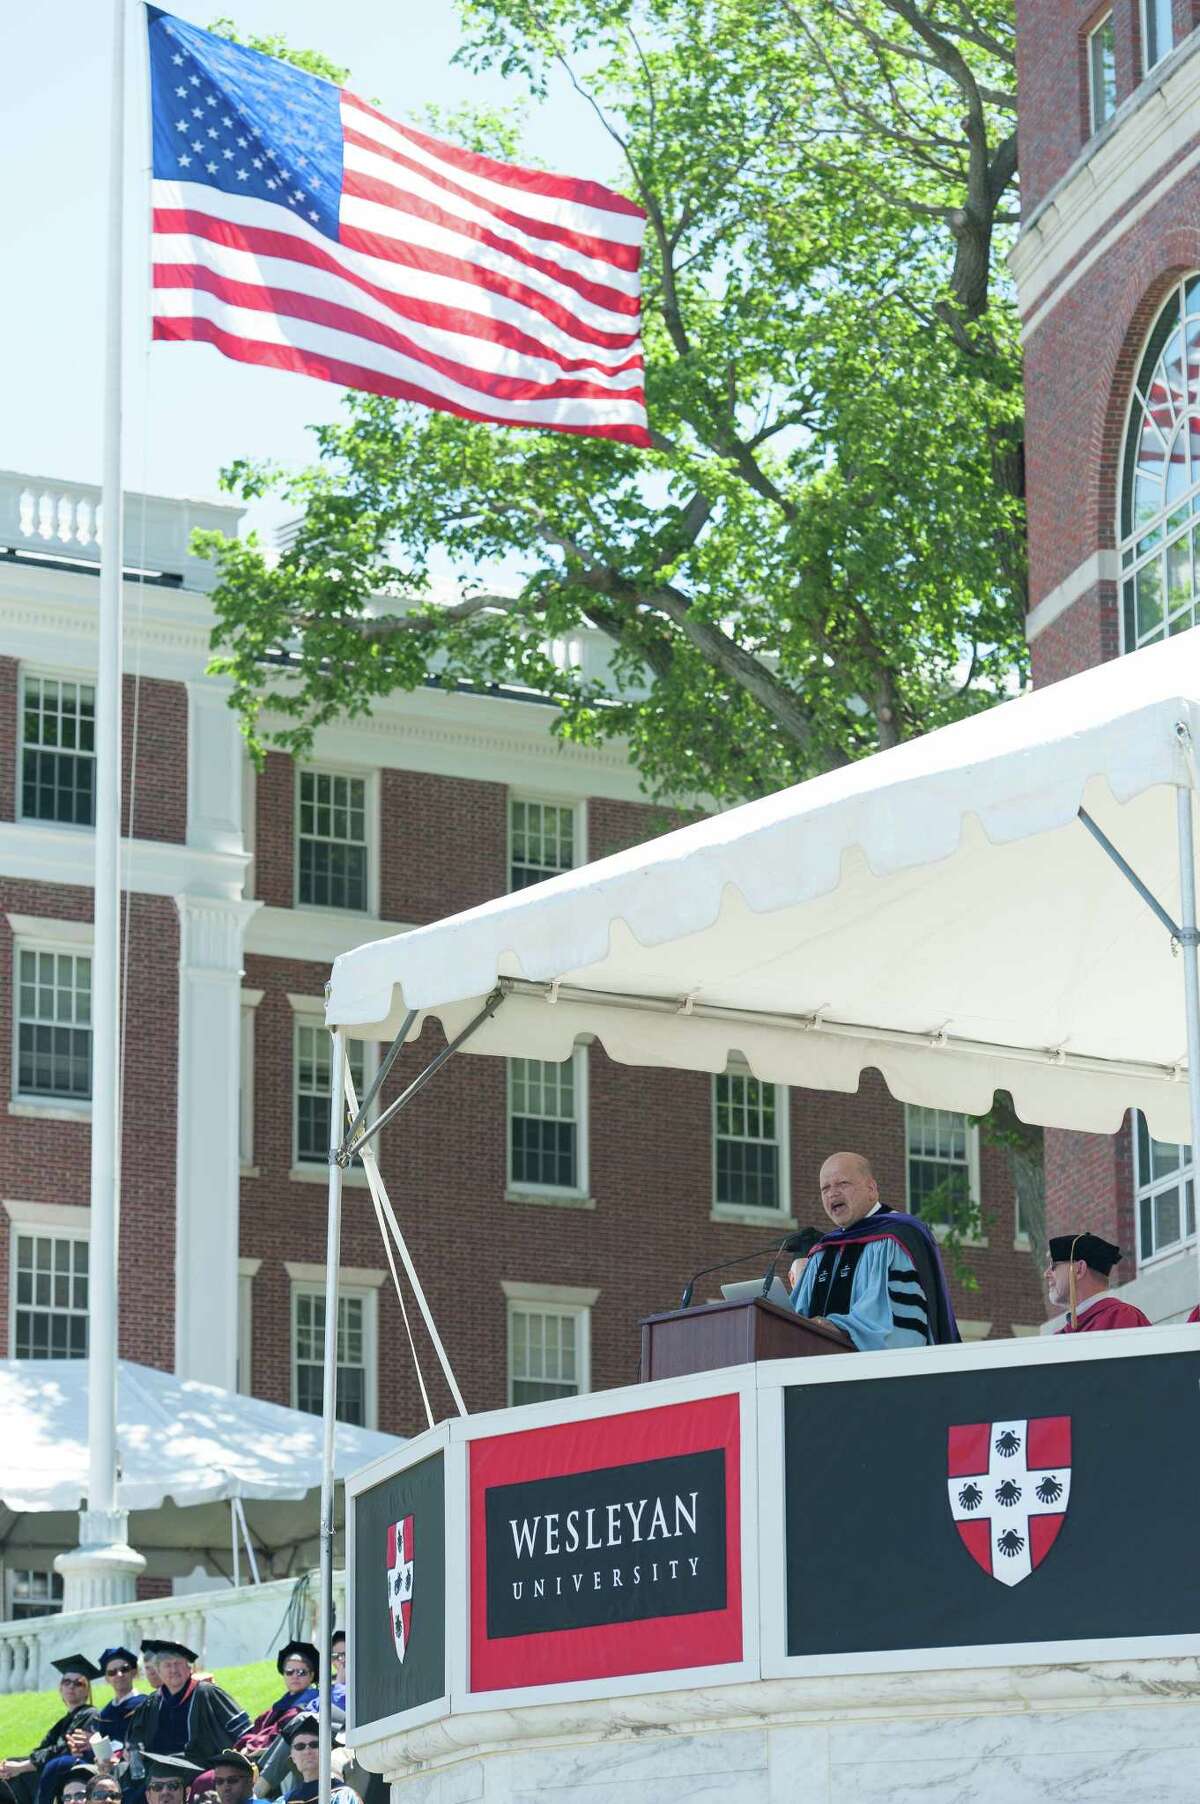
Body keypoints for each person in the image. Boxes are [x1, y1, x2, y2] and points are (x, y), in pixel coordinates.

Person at [790, 1151, 960, 1350]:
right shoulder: (823, 1252)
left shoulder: (897, 1238)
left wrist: (841, 1328)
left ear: (871, 1189)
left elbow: (898, 1326)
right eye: (825, 1188)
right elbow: (793, 1320)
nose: (832, 1193)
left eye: (842, 1184)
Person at [127, 1641, 249, 1773]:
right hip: (161, 1772)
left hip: (205, 1769)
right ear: (158, 1671)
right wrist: (132, 1751)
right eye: (167, 1665)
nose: (173, 1670)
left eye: (178, 1663)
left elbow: (242, 1731)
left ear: (188, 1668)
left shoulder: (207, 1693)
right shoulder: (152, 1703)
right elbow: (136, 1739)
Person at [0, 1655, 101, 1804]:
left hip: (73, 1773)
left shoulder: (90, 1714)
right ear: (60, 1688)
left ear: (87, 1691)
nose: (71, 1686)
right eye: (67, 1682)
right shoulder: (63, 1721)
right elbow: (40, 1750)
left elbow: (66, 1749)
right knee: (8, 1765)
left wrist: (22, 1767)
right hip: (52, 1767)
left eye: (78, 1683)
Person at [1047, 1233, 1150, 1331]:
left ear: (1079, 1269)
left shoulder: (1123, 1318)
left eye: (1053, 1266)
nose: (1046, 1274)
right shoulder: (1062, 1335)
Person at [237, 1645, 319, 1761]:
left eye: (301, 1672)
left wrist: (251, 1746)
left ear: (311, 1675)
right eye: (289, 1672)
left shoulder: (312, 1701)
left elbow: (279, 1735)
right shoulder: (279, 1705)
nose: (295, 1676)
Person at [277, 1718, 357, 1804]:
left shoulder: (344, 1796)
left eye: (314, 1745)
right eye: (300, 1746)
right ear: (293, 1757)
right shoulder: (284, 1801)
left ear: (328, 1750)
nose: (307, 1751)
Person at [95, 1647, 143, 1751]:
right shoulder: (104, 1714)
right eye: (112, 1672)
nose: (119, 1675)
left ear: (134, 1672)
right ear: (107, 1679)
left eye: (124, 1669)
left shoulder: (145, 1705)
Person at [328, 1635, 346, 1713]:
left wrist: (340, 1684)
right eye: (336, 1656)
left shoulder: (366, 1685)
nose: (342, 1660)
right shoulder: (326, 1691)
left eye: (345, 1654)